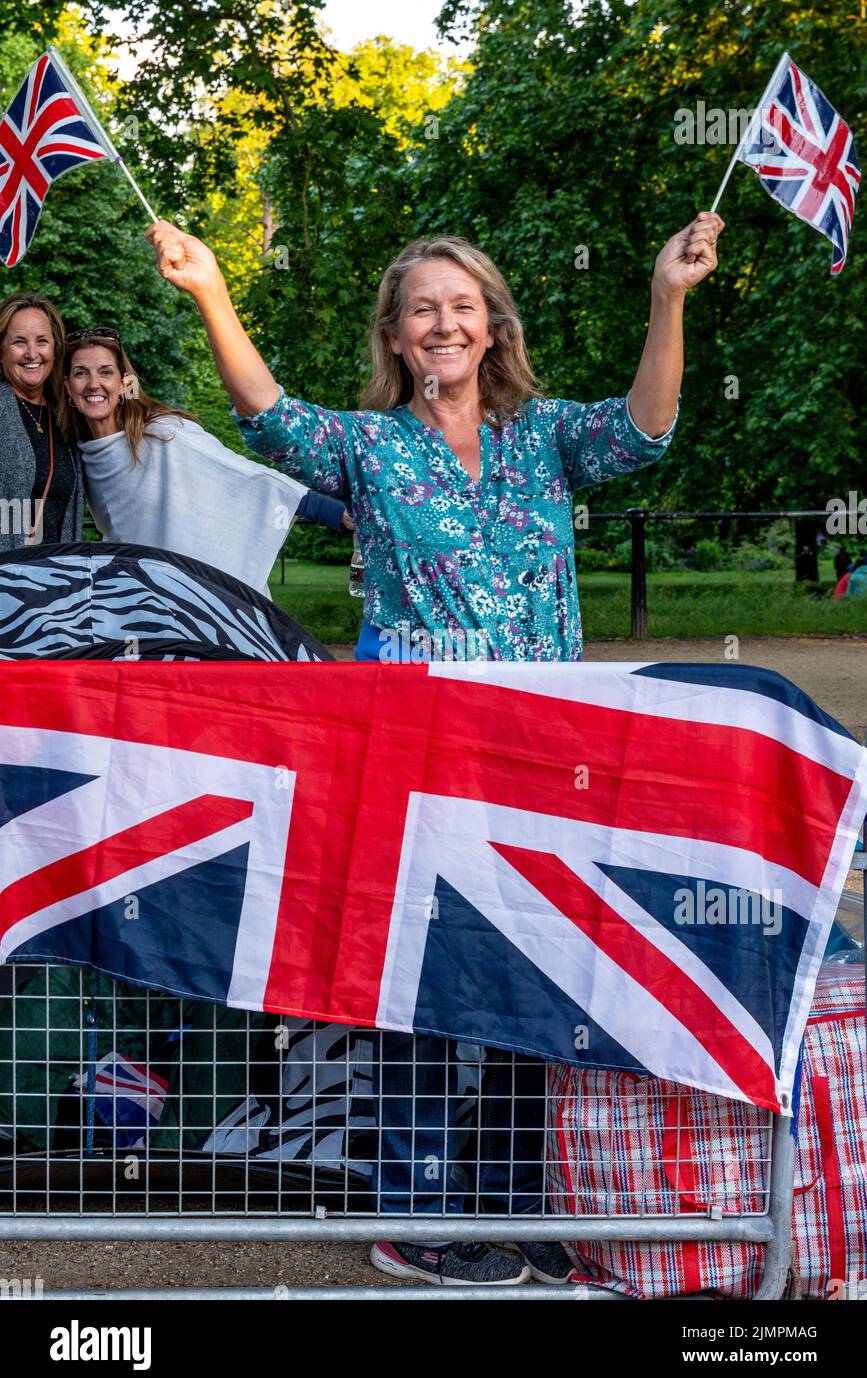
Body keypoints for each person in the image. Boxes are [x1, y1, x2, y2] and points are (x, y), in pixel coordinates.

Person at [145, 208, 724, 1284]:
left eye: (463, 306)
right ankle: (413, 1212)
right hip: (419, 757)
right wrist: (212, 292)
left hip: (548, 754)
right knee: (418, 984)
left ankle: (515, 1212)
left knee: (528, 982)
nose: (445, 324)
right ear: (398, 337)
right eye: (424, 311)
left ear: (493, 327)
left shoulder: (545, 435)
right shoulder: (368, 448)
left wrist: (668, 295)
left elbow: (646, 431)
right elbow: (270, 421)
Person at [60, 329, 352, 595]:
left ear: (124, 384)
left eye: (105, 372)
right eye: (81, 374)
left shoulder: (164, 434)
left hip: (203, 597)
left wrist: (332, 512)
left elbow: (244, 475)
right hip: (140, 600)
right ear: (68, 385)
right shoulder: (75, 454)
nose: (93, 384)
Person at [0, 292, 82, 552]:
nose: (32, 353)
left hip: (55, 581)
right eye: (19, 342)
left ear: (55, 348)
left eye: (42, 341)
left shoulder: (67, 413)